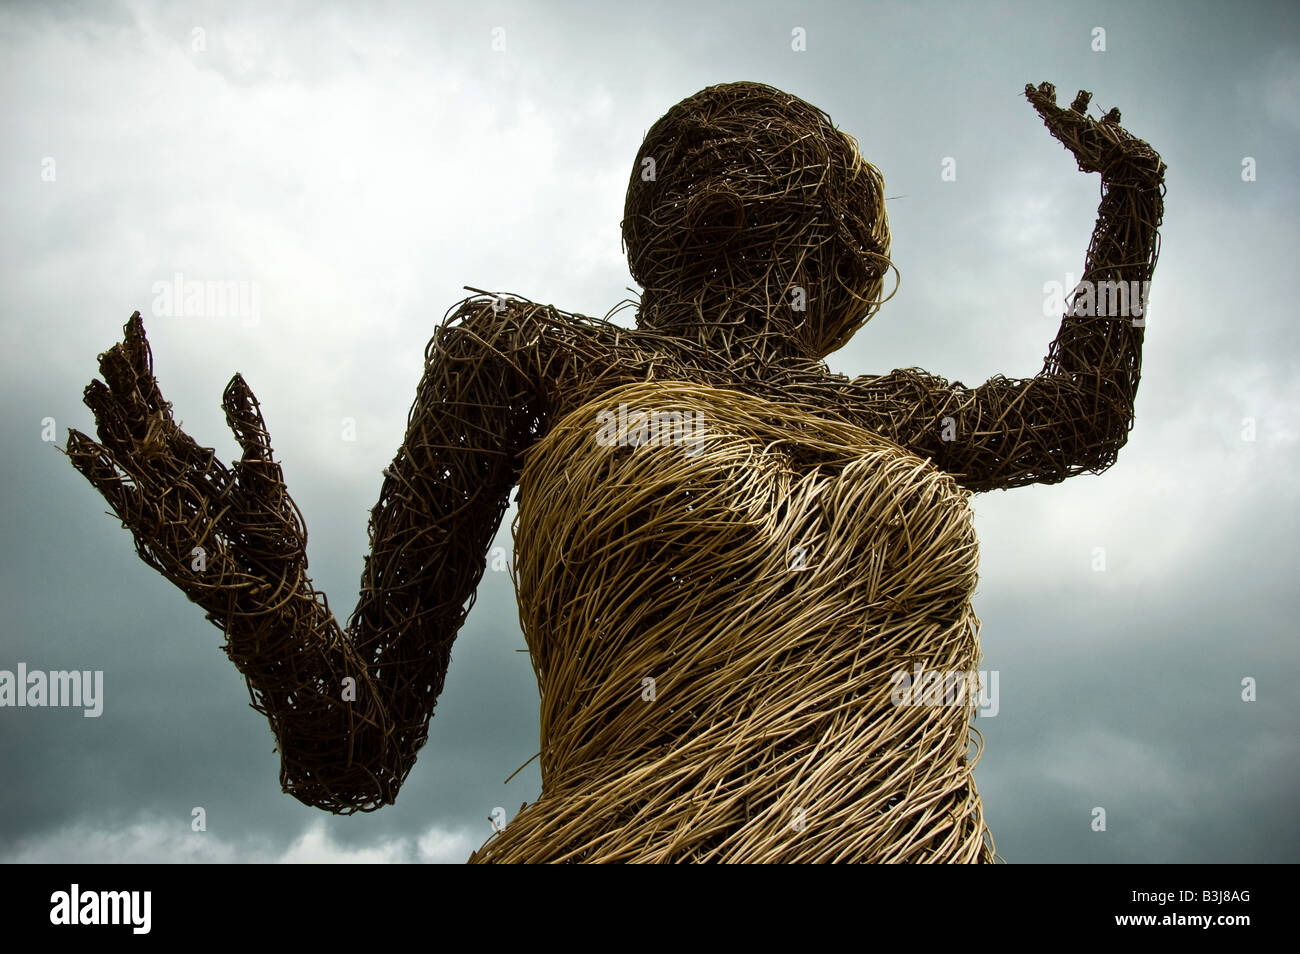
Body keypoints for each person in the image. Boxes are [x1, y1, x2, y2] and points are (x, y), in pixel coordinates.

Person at [66, 81, 1165, 862]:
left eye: (763, 144)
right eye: (685, 148)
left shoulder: (888, 413)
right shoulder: (523, 355)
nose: (709, 155)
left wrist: (1130, 199)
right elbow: (357, 761)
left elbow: (1078, 414)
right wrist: (265, 606)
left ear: (839, 225)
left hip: (895, 834)